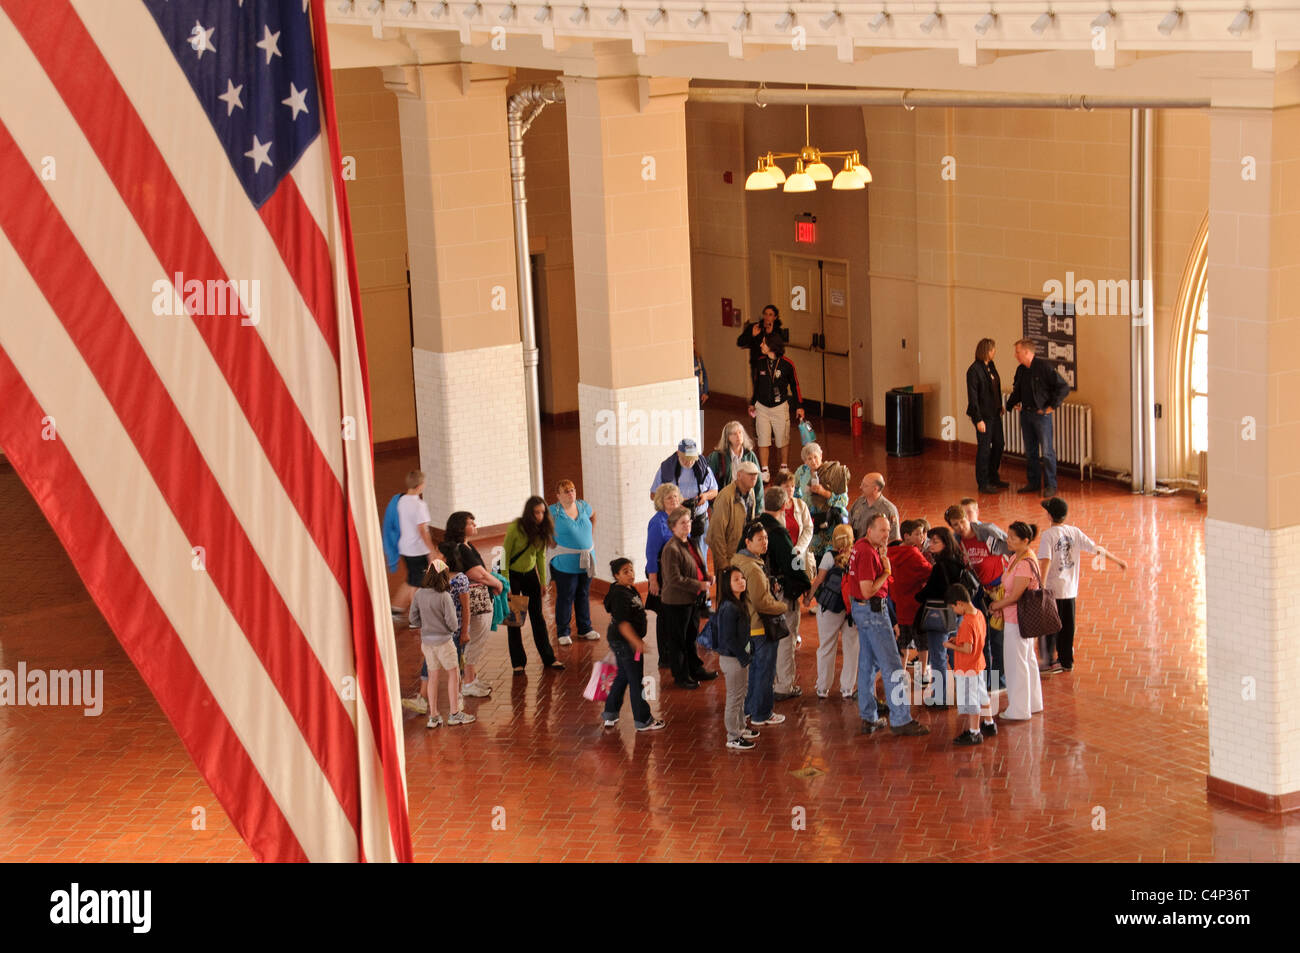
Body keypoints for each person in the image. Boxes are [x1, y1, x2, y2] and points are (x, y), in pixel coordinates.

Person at [844, 513, 929, 737]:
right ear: (869, 530)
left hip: (862, 611)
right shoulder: (865, 552)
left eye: (888, 530)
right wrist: (887, 572)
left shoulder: (862, 546)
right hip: (872, 611)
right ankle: (901, 719)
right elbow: (867, 589)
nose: (886, 535)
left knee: (868, 664)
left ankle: (869, 716)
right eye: (881, 530)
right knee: (893, 664)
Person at [1037, 497, 1127, 673]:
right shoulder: (1075, 532)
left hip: (1052, 590)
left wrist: (1041, 586)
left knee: (1050, 627)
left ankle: (1048, 662)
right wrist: (1117, 560)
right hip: (1070, 590)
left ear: (1049, 515)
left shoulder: (1048, 535)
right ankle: (1066, 661)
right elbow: (1096, 548)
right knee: (1068, 627)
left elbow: (1045, 561)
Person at [436, 511, 501, 702]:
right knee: (476, 639)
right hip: (476, 602)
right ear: (460, 527)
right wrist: (497, 584)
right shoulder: (462, 548)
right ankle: (468, 683)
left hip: (474, 599)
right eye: (470, 523)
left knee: (476, 640)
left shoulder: (466, 545)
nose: (474, 525)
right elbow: (477, 573)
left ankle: (471, 677)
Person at [945, 503, 1011, 690]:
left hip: (997, 589)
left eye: (962, 522)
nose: (960, 527)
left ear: (968, 518)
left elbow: (1010, 548)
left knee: (998, 636)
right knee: (984, 637)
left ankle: (999, 681)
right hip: (977, 592)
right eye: (955, 524)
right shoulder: (957, 541)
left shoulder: (986, 532)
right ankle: (986, 681)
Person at [732, 522, 788, 728]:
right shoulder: (754, 569)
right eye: (760, 539)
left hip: (748, 626)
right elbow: (761, 602)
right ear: (748, 542)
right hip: (760, 626)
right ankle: (762, 713)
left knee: (755, 671)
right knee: (765, 671)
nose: (765, 542)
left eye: (765, 538)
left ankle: (750, 708)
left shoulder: (739, 561)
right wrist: (782, 607)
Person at [988, 521, 1046, 721]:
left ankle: (1019, 709)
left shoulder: (1024, 564)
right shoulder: (1016, 557)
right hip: (1018, 618)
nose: (1008, 540)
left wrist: (997, 605)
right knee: (1027, 660)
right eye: (1008, 535)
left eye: (1013, 537)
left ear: (1025, 541)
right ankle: (1033, 702)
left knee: (1016, 663)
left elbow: (1015, 596)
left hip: (1018, 619)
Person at [914, 526, 978, 706]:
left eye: (935, 542)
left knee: (938, 656)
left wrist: (918, 595)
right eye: (931, 541)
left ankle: (940, 697)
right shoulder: (958, 561)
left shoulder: (940, 566)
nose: (931, 544)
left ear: (945, 544)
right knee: (956, 654)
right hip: (957, 615)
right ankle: (963, 692)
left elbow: (932, 591)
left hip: (940, 616)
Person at [757, 486, 811, 701]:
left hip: (757, 592)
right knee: (785, 637)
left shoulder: (753, 526)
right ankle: (784, 685)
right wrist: (806, 583)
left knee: (763, 639)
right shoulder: (778, 532)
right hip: (779, 593)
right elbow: (792, 563)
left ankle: (765, 682)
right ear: (784, 506)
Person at [410, 559, 476, 729]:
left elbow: (413, 619)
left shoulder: (419, 593)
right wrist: (447, 629)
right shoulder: (445, 596)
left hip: (427, 643)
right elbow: (453, 623)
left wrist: (426, 625)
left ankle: (433, 716)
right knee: (453, 675)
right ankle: (454, 713)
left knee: (432, 677)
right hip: (444, 642)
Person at [601, 558, 665, 732]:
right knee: (637, 681)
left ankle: (610, 713)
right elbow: (623, 624)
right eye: (625, 571)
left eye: (631, 569)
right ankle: (643, 720)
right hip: (626, 643)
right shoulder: (620, 595)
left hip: (624, 642)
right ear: (616, 576)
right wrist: (636, 642)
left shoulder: (627, 589)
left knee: (623, 676)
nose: (630, 574)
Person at [502, 496, 563, 673]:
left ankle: (548, 658)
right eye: (537, 512)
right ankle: (518, 663)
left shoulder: (542, 529)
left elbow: (540, 556)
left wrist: (543, 581)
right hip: (513, 575)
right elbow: (505, 556)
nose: (540, 516)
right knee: (514, 621)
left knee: (538, 617)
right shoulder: (515, 527)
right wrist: (506, 584)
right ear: (529, 512)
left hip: (529, 575)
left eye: (543, 512)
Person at [658, 506, 717, 689]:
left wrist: (707, 576)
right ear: (673, 527)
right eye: (682, 523)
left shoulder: (690, 542)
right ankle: (681, 675)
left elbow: (697, 564)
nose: (687, 525)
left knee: (691, 637)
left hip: (692, 600)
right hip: (677, 602)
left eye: (689, 521)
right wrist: (699, 584)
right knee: (679, 641)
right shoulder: (671, 548)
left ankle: (694, 668)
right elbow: (674, 579)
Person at [1006, 339, 1071, 497]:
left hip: (1041, 416)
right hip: (1026, 415)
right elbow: (1017, 391)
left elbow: (1063, 387)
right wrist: (1008, 406)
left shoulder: (1043, 367)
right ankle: (1033, 483)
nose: (1015, 355)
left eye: (1018, 352)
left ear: (1027, 352)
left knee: (1047, 452)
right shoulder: (1021, 370)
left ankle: (1050, 485)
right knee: (1031, 451)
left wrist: (1051, 407)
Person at [650, 438, 719, 567]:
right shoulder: (666, 469)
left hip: (699, 520)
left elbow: (715, 490)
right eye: (686, 459)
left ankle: (703, 587)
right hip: (676, 522)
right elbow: (653, 495)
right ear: (678, 454)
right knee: (680, 561)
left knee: (700, 560)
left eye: (692, 458)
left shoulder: (702, 467)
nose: (689, 462)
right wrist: (676, 503)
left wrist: (705, 496)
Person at [548, 480, 599, 647]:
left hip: (586, 558)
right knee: (566, 595)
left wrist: (590, 535)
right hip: (565, 561)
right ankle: (563, 631)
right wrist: (550, 542)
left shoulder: (583, 506)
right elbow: (541, 528)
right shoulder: (553, 511)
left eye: (572, 490)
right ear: (558, 495)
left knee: (583, 593)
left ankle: (585, 628)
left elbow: (593, 515)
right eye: (566, 491)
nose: (571, 493)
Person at [810, 523, 859, 699]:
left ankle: (823, 688)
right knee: (852, 648)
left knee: (826, 647)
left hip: (830, 608)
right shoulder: (856, 555)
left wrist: (809, 598)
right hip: (851, 610)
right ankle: (847, 688)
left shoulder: (829, 557)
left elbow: (818, 580)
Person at [944, 583, 996, 745]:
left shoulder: (966, 622)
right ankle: (989, 723)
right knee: (982, 694)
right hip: (978, 663)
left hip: (967, 667)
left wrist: (950, 645)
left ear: (960, 603)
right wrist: (957, 640)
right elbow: (975, 640)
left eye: (953, 608)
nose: (954, 611)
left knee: (972, 699)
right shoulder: (979, 614)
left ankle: (974, 732)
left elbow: (967, 648)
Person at [716, 565, 760, 750]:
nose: (741, 581)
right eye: (736, 579)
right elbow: (728, 638)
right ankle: (733, 736)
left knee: (741, 694)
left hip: (740, 656)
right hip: (733, 659)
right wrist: (743, 656)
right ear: (727, 584)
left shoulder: (738, 603)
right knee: (734, 697)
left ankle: (741, 727)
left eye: (742, 578)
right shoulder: (729, 608)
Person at [747, 337, 804, 480]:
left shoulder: (787, 364)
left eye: (764, 343)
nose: (761, 345)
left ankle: (784, 466)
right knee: (763, 438)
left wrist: (799, 406)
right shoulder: (760, 363)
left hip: (780, 407)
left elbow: (795, 386)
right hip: (762, 407)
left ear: (772, 346)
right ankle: (764, 470)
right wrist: (752, 403)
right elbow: (757, 385)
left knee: (783, 438)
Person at [886, 519, 934, 679]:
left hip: (898, 605)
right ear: (906, 536)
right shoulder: (914, 554)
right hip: (915, 606)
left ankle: (900, 672)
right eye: (917, 534)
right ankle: (923, 673)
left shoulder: (890, 552)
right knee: (922, 641)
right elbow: (930, 572)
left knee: (903, 642)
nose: (922, 537)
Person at [793, 442, 850, 561]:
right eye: (809, 459)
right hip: (811, 519)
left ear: (821, 455)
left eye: (815, 457)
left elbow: (844, 501)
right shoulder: (802, 472)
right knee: (813, 556)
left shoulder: (834, 472)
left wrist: (823, 492)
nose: (813, 461)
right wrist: (800, 501)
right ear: (805, 461)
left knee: (831, 556)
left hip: (831, 520)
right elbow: (794, 488)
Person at [966, 337, 1009, 494]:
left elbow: (995, 388)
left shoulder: (991, 366)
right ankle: (983, 482)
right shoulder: (974, 370)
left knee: (999, 444)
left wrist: (1000, 405)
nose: (994, 352)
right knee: (984, 449)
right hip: (983, 416)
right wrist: (978, 419)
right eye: (992, 349)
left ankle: (993, 476)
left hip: (995, 413)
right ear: (986, 351)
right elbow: (973, 397)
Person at [705, 460, 760, 574]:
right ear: (739, 475)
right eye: (750, 474)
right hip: (729, 555)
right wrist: (723, 562)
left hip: (745, 553)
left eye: (756, 474)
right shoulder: (725, 497)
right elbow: (716, 533)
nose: (754, 477)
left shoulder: (751, 492)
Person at [395, 470, 434, 615]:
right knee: (416, 582)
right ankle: (410, 612)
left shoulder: (401, 501)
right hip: (417, 549)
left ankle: (411, 611)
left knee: (414, 580)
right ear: (420, 486)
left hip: (405, 548)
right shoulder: (419, 505)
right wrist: (431, 551)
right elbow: (423, 531)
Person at [707, 420, 763, 499]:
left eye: (740, 432)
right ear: (727, 438)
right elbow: (709, 480)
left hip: (746, 497)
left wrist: (758, 509)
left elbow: (758, 483)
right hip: (725, 498)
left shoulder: (750, 455)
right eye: (734, 434)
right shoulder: (717, 456)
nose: (738, 436)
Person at [646, 483, 682, 603]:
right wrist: (653, 580)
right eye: (669, 497)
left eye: (676, 496)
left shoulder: (681, 518)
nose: (674, 500)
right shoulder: (657, 523)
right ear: (661, 501)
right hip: (663, 572)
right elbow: (651, 554)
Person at [849, 472, 900, 543]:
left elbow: (893, 539)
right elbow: (849, 524)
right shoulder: (858, 503)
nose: (860, 487)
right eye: (862, 484)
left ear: (875, 489)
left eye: (865, 485)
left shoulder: (889, 510)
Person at [736, 303, 788, 369]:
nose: (767, 317)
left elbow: (779, 351)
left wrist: (769, 334)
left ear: (775, 317)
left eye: (770, 315)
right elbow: (740, 342)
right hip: (757, 364)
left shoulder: (778, 332)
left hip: (773, 365)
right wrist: (752, 335)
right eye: (765, 314)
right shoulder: (755, 327)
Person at [694, 349, 710, 441]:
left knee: (698, 422)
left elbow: (704, 374)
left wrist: (705, 391)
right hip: (691, 394)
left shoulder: (698, 358)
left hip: (699, 394)